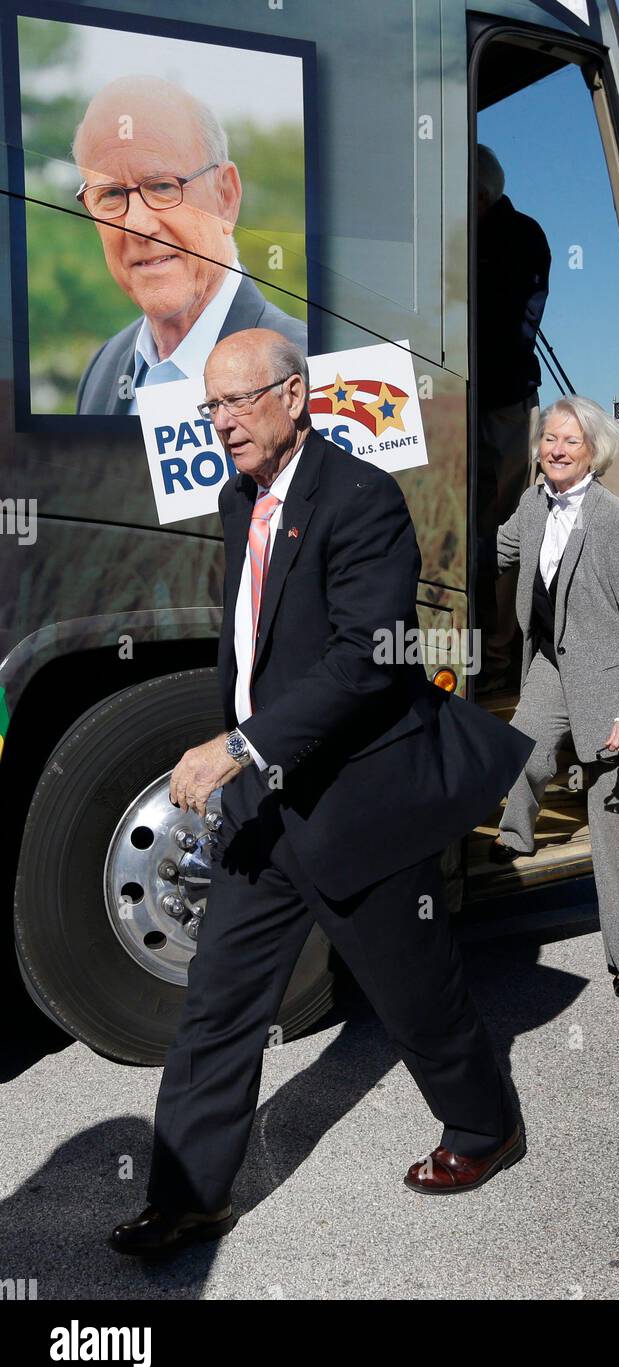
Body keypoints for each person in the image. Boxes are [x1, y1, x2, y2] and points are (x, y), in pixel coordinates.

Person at [109, 328, 534, 1257]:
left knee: (414, 993)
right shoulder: (238, 498)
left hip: (357, 799)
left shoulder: (361, 498)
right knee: (219, 1001)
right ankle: (188, 1193)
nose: (218, 422)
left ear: (294, 396)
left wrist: (240, 743)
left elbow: (367, 662)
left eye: (236, 402)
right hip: (265, 809)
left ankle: (482, 1128)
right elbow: (262, 640)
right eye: (208, 406)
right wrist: (249, 752)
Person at [489, 396, 619, 998]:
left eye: (570, 442)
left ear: (593, 451)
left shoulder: (615, 525)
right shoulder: (533, 503)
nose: (556, 450)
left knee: (617, 830)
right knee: (520, 748)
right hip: (556, 663)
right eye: (549, 439)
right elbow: (497, 552)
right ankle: (515, 832)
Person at [72, 77, 306, 415]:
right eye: (110, 195)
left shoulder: (317, 371)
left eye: (163, 187)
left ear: (226, 197)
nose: (137, 225)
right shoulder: (101, 372)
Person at [475, 145, 551, 691]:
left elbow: (498, 326)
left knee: (498, 530)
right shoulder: (528, 234)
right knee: (497, 529)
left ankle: (496, 658)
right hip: (500, 401)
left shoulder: (505, 237)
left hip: (492, 402)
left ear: (475, 195)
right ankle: (497, 658)